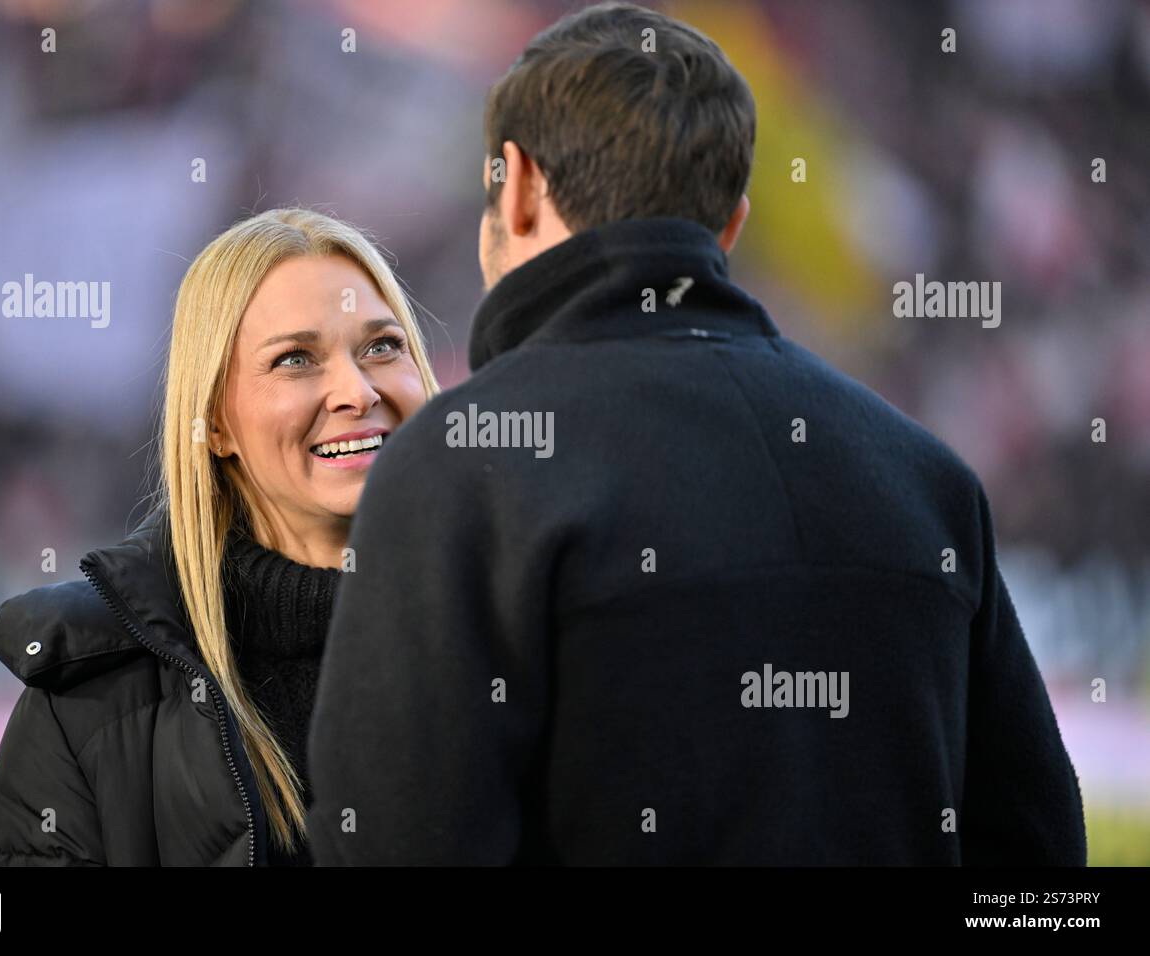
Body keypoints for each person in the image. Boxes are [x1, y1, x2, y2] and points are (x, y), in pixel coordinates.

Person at [305, 2, 1087, 865]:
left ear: (520, 182)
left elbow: (392, 843)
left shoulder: (455, 468)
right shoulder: (928, 482)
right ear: (730, 226)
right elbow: (1040, 869)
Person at [0, 208, 437, 865]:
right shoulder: (86, 694)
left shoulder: (523, 631)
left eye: (383, 346)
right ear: (214, 424)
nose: (357, 391)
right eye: (296, 359)